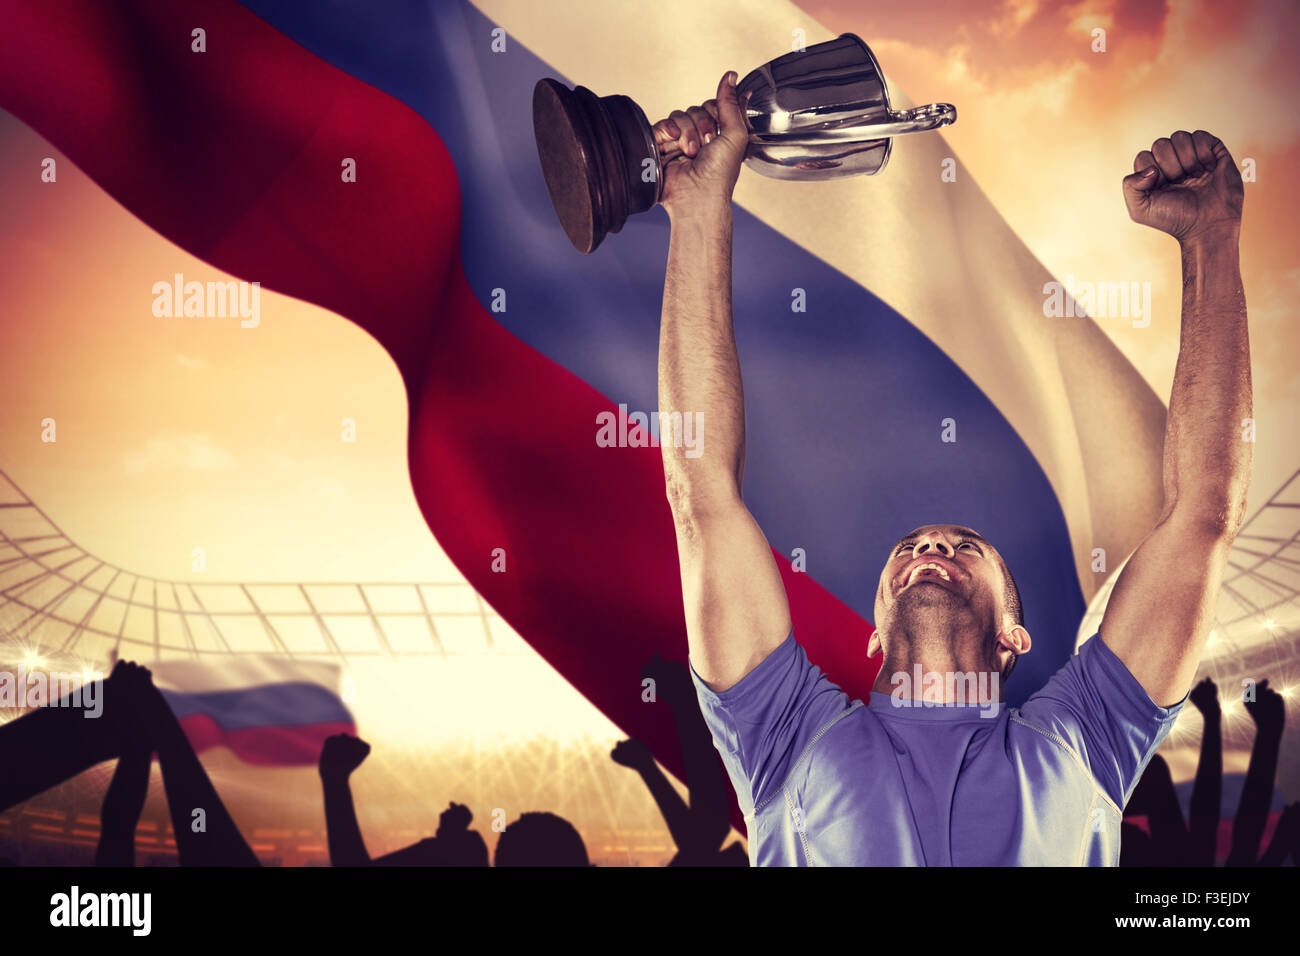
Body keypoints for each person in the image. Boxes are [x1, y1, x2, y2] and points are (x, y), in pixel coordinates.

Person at [650, 71, 1251, 865]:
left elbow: (1204, 517)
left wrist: (1212, 237)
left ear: (1014, 636)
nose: (932, 544)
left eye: (967, 547)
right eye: (913, 547)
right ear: (873, 633)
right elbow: (700, 497)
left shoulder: (1089, 740)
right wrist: (698, 212)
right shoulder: (783, 735)